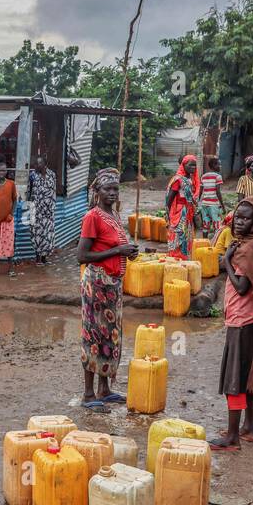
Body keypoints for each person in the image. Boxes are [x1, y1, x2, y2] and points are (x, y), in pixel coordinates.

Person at [208, 198, 253, 451]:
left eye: (246, 218)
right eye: (237, 217)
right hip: (248, 319)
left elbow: (242, 287)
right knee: (247, 372)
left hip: (241, 320)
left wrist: (226, 262)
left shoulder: (247, 249)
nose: (239, 222)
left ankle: (232, 437)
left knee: (234, 378)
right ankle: (249, 427)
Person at [78, 168, 139, 411]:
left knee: (109, 337)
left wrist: (129, 252)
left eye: (115, 189)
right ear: (97, 192)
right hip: (97, 284)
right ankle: (88, 394)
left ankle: (104, 389)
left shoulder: (112, 215)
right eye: (107, 189)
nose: (112, 193)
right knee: (93, 336)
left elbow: (117, 246)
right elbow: (81, 255)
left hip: (112, 283)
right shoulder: (92, 216)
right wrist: (117, 252)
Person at [166, 153, 201, 257]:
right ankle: (176, 258)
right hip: (180, 212)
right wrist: (168, 216)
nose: (193, 168)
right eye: (190, 165)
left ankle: (184, 258)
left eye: (195, 165)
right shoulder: (178, 180)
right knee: (179, 235)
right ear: (183, 165)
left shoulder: (190, 179)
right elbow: (169, 200)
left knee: (187, 235)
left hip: (188, 212)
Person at [26, 154, 57, 265]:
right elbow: (28, 193)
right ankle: (38, 257)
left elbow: (54, 191)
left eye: (39, 163)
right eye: (36, 163)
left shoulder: (52, 175)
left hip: (49, 210)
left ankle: (44, 258)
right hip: (36, 210)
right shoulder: (32, 176)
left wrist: (53, 207)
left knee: (47, 234)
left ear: (45, 164)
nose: (37, 165)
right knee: (36, 233)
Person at [198, 157, 224, 241]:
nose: (220, 166)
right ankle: (216, 242)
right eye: (219, 164)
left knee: (206, 224)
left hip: (204, 204)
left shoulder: (203, 176)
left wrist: (199, 203)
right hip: (214, 205)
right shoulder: (218, 176)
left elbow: (200, 191)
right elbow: (218, 192)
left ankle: (204, 241)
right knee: (217, 224)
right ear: (214, 165)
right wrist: (222, 205)